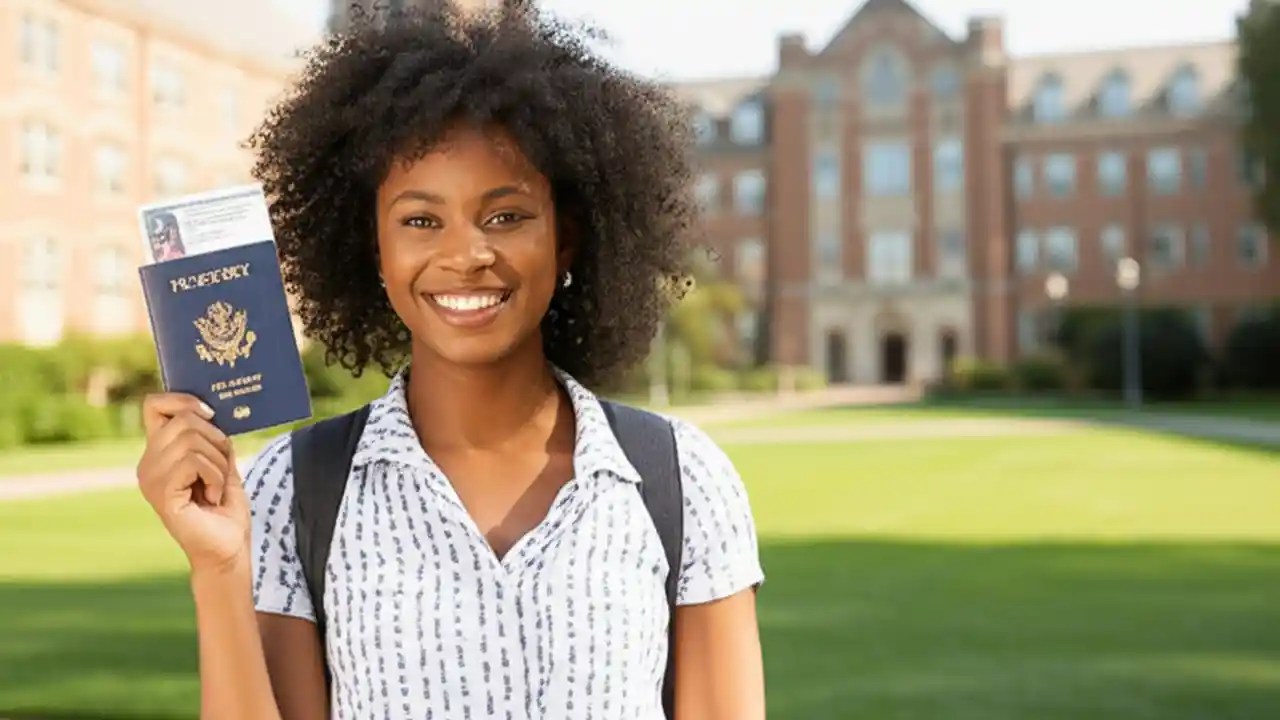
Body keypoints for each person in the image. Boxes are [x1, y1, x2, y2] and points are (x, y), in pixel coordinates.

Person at [134, 3, 765, 719]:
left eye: (506, 216)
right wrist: (219, 567)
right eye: (420, 220)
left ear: (565, 239)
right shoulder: (293, 491)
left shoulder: (682, 483)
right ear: (375, 250)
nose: (466, 255)